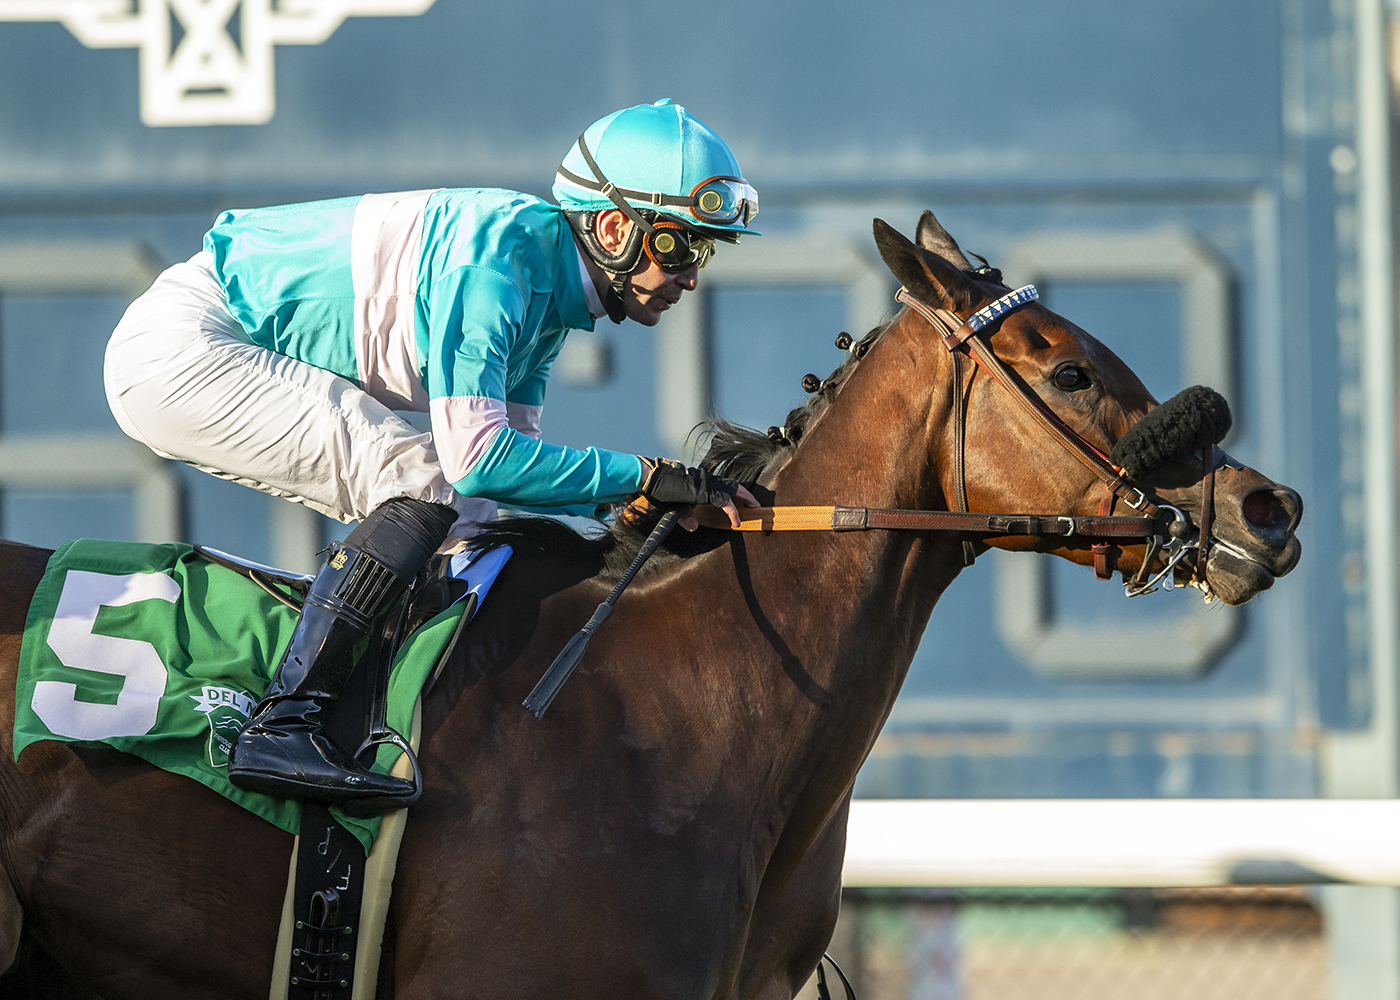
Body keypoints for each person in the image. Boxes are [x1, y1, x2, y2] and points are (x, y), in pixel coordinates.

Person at [102, 99, 760, 811]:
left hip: (198, 342)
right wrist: (645, 476)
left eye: (705, 251)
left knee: (453, 509)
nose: (692, 276)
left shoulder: (549, 292)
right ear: (612, 227)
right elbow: (477, 461)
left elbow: (500, 484)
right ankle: (283, 721)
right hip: (184, 347)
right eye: (681, 247)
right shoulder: (498, 263)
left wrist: (633, 501)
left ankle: (387, 708)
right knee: (422, 479)